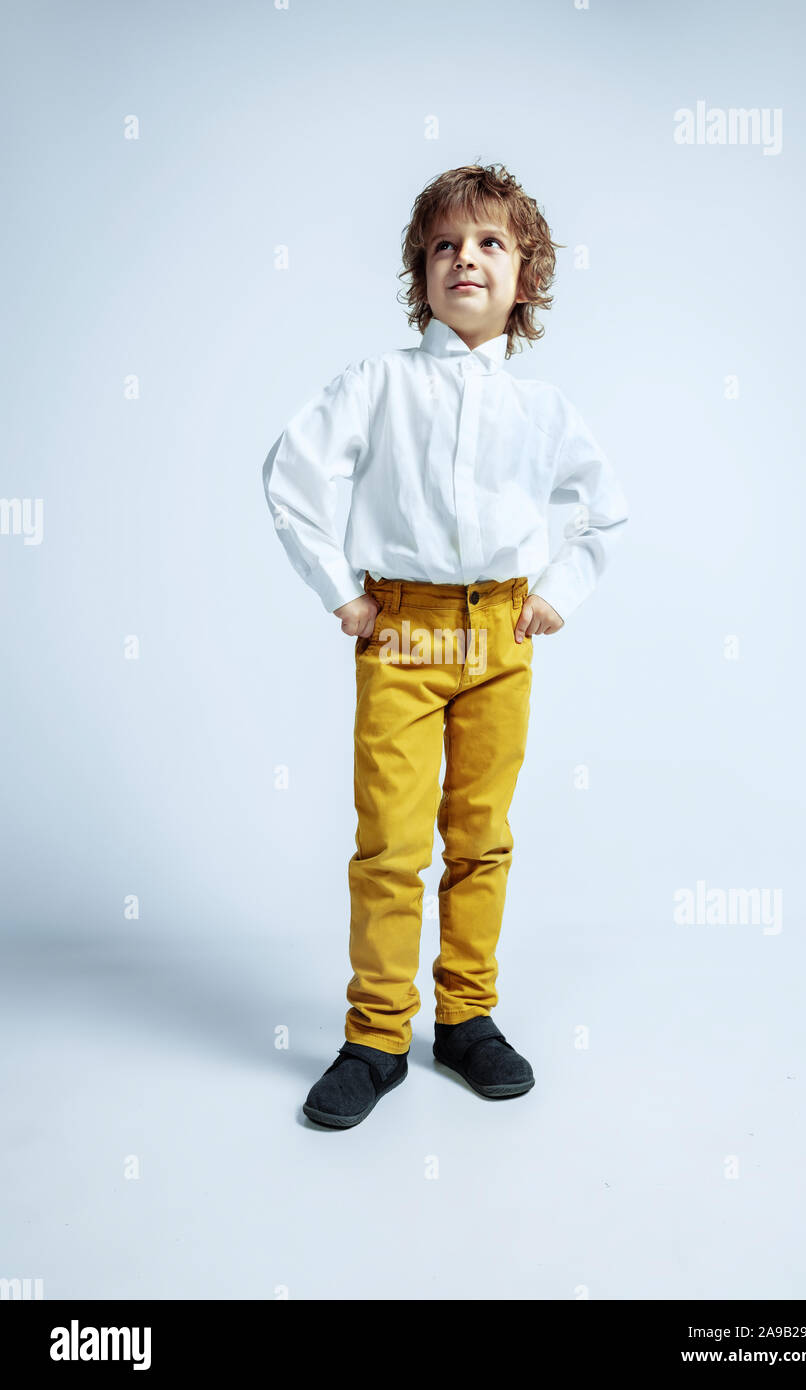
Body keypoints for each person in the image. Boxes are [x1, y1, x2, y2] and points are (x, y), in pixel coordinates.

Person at [262, 162, 629, 1128]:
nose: (466, 258)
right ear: (420, 273)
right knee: (388, 841)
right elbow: (291, 476)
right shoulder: (379, 384)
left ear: (526, 277)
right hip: (404, 635)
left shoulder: (545, 411)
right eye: (444, 246)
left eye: (491, 244)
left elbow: (605, 514)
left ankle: (467, 1018)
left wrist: (555, 594)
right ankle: (377, 1035)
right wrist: (343, 594)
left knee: (481, 838)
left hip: (502, 637)